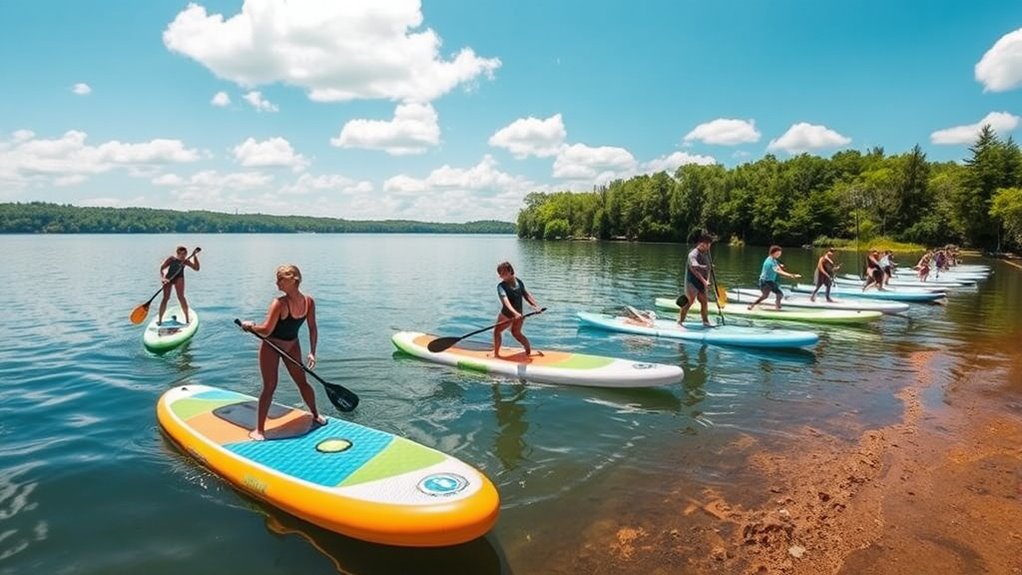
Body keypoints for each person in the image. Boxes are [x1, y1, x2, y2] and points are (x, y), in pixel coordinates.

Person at [239, 265, 323, 441]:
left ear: (294, 279)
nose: (276, 283)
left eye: (280, 279)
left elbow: (313, 328)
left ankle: (315, 414)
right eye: (277, 279)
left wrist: (312, 352)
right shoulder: (279, 303)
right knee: (270, 386)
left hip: (292, 345)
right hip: (271, 346)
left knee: (302, 382)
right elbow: (267, 331)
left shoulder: (309, 302)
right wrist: (251, 326)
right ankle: (260, 430)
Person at [494, 261, 542, 358]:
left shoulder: (518, 282)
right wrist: (515, 313)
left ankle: (527, 352)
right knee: (513, 332)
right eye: (500, 274)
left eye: (503, 273)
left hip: (509, 315)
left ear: (510, 271)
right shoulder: (501, 287)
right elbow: (505, 301)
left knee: (502, 332)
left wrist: (536, 306)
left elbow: (526, 295)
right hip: (514, 314)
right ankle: (497, 354)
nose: (501, 276)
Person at [747, 245, 801, 310]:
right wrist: (792, 275)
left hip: (768, 281)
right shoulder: (770, 262)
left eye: (779, 254)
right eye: (777, 254)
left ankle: (776, 306)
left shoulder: (773, 259)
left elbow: (779, 269)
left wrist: (781, 266)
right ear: (772, 253)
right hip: (765, 282)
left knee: (773, 295)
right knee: (771, 295)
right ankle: (776, 306)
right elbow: (778, 271)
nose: (779, 255)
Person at [677, 234, 713, 327]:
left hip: (702, 282)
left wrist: (706, 281)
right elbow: (694, 265)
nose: (709, 247)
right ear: (702, 244)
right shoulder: (693, 254)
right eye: (708, 245)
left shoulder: (705, 254)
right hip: (691, 282)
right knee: (689, 302)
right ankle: (679, 322)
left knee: (704, 302)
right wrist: (705, 267)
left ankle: (705, 322)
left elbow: (708, 269)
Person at [158, 245, 200, 325]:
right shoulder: (171, 259)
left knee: (181, 297)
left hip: (179, 278)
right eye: (181, 254)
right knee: (165, 298)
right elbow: (162, 268)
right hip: (169, 278)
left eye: (185, 254)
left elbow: (196, 268)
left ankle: (187, 320)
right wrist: (163, 278)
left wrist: (194, 256)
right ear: (177, 254)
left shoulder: (186, 261)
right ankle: (160, 320)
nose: (183, 256)